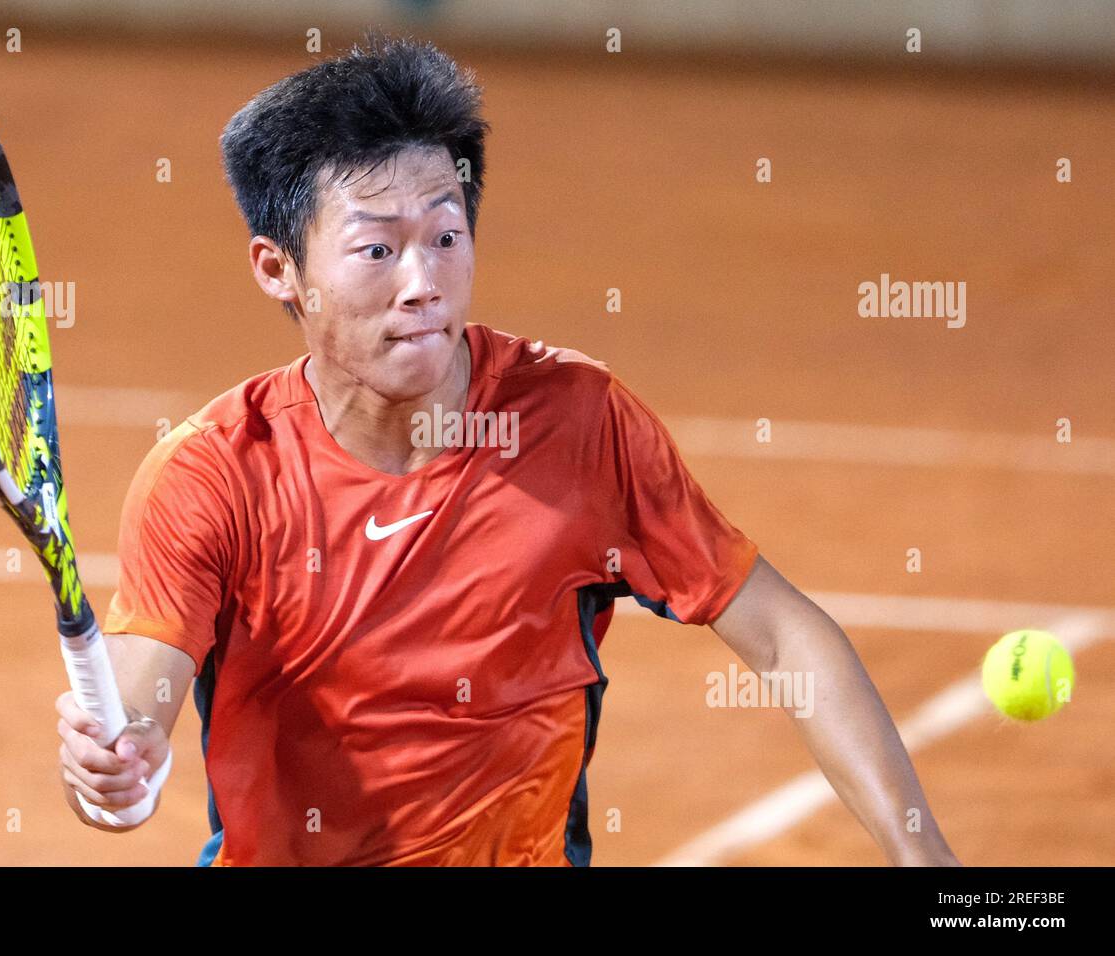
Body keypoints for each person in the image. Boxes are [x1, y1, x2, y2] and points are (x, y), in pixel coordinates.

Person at [55, 34, 960, 867]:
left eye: (446, 237)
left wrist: (926, 857)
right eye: (376, 250)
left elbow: (784, 634)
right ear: (277, 269)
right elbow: (144, 690)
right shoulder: (214, 472)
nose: (424, 285)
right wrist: (115, 758)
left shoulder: (578, 421)